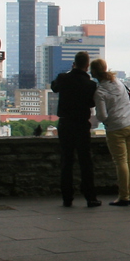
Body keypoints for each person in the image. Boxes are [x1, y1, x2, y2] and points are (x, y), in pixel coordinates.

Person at [50, 52, 99, 207]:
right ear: (87, 66)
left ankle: (67, 197)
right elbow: (92, 104)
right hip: (82, 124)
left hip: (65, 124)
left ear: (74, 64)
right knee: (85, 161)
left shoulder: (63, 78)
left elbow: (54, 87)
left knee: (66, 161)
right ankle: (90, 197)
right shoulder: (90, 84)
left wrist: (70, 72)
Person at [91, 57, 130, 206]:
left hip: (116, 128)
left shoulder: (100, 92)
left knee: (121, 161)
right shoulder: (118, 82)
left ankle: (124, 196)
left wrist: (104, 120)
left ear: (94, 72)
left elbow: (102, 116)